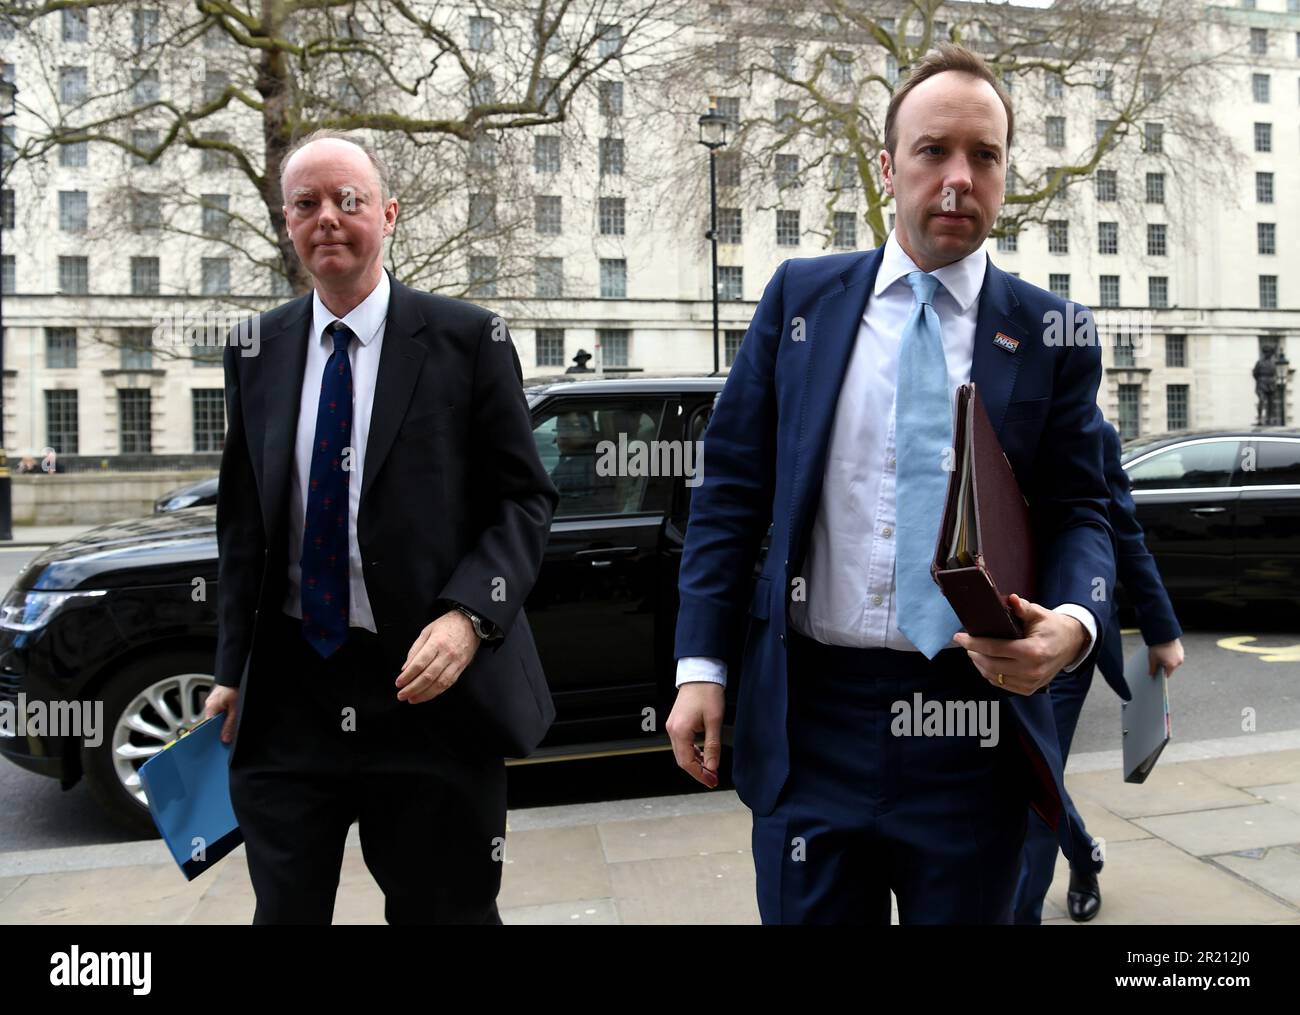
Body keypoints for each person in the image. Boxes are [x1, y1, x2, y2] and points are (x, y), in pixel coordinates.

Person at [665, 43, 1116, 924]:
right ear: (886, 166)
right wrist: (700, 665)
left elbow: (1082, 511)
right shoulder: (801, 299)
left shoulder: (1054, 329)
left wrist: (1074, 623)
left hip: (974, 727)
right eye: (933, 151)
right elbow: (729, 497)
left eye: (983, 156)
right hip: (810, 721)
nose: (958, 178)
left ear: (1006, 173)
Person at [203, 130, 558, 924]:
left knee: (445, 912)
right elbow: (243, 525)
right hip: (291, 694)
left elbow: (525, 500)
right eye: (306, 204)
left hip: (426, 692)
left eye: (348, 200)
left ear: (389, 215)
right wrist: (231, 667)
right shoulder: (256, 347)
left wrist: (471, 616)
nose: (327, 217)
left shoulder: (468, 340)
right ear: (286, 222)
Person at [1014, 418, 1184, 924]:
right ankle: (1085, 853)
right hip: (977, 632)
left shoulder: (1092, 433)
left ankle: (1022, 914)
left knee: (1035, 777)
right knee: (1004, 774)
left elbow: (1121, 532)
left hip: (1067, 640)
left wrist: (1161, 631)